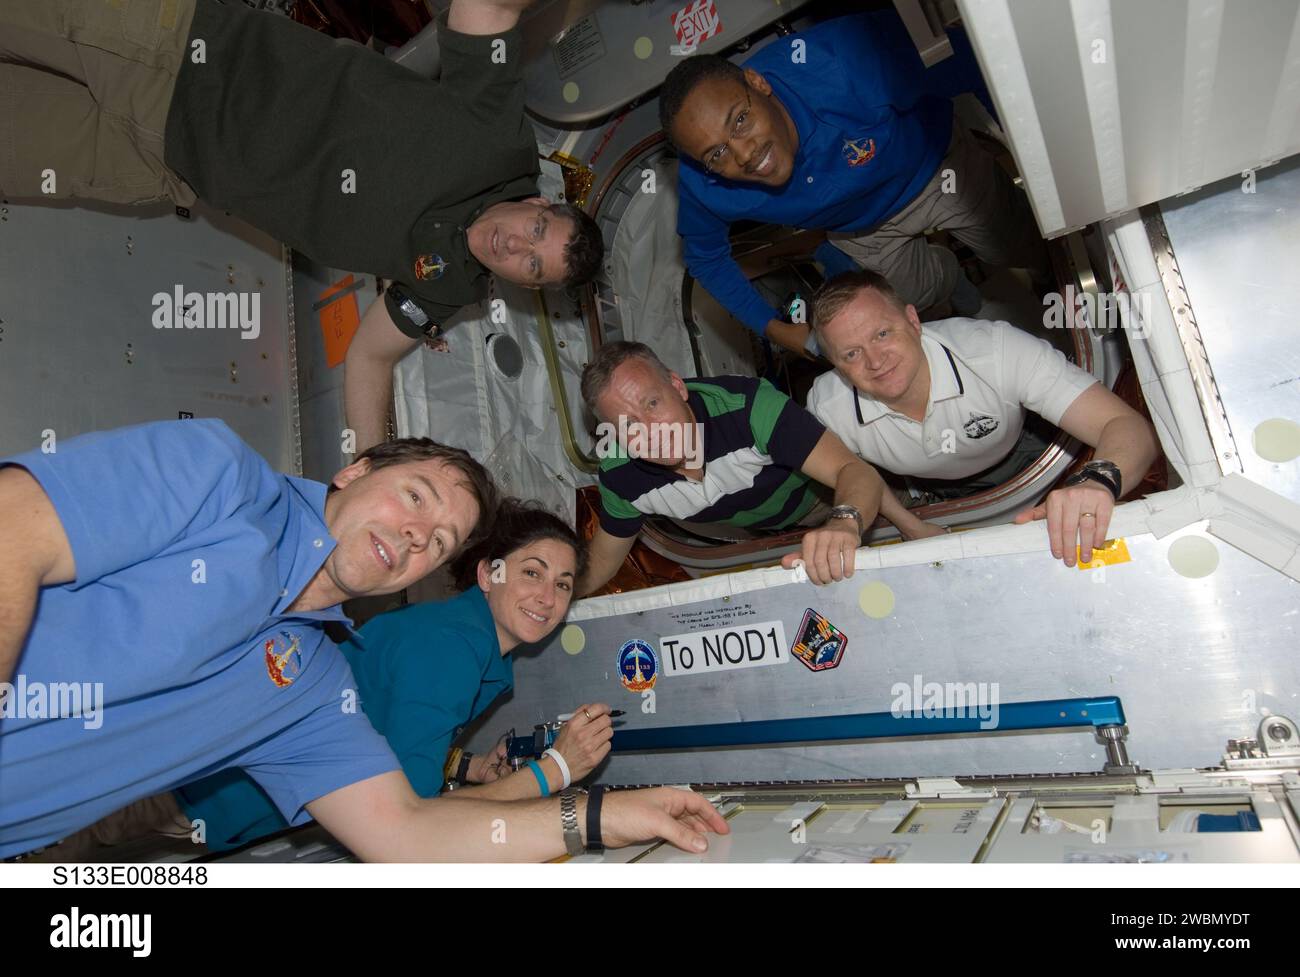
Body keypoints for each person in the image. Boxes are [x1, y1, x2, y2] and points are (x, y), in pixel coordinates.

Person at [0, 419, 726, 861]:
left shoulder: (312, 686)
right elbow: (13, 527)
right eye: (415, 496)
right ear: (355, 469)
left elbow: (408, 830)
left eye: (438, 542)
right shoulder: (219, 479)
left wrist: (603, 816)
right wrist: (555, 771)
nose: (417, 534)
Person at [0, 0, 604, 451]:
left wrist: (371, 466)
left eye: (531, 265)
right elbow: (487, 8)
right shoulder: (497, 138)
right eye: (536, 231)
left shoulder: (450, 288)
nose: (514, 245)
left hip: (166, 165)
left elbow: (369, 358)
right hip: (181, 53)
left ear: (522, 284)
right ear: (539, 202)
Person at [161, 500, 608, 854]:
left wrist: (464, 766)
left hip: (212, 794)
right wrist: (556, 770)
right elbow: (412, 820)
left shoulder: (471, 642)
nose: (547, 597)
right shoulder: (451, 648)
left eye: (563, 584)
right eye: (532, 572)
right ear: (488, 575)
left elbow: (382, 726)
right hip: (190, 796)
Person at [660, 10, 1046, 355]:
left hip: (935, 170)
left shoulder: (848, 59)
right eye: (717, 153)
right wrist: (777, 330)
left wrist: (1041, 163)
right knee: (916, 296)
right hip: (857, 228)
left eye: (740, 121)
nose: (742, 154)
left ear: (758, 83)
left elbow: (977, 60)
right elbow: (705, 258)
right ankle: (954, 279)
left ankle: (1048, 276)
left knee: (1015, 247)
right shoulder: (704, 180)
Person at [806, 270, 1159, 567]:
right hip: (931, 489)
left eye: (882, 334)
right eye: (851, 354)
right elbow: (857, 472)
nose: (875, 361)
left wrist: (1097, 481)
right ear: (834, 365)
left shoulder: (994, 350)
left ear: (913, 321)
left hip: (1027, 457)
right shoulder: (828, 407)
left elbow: (1127, 426)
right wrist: (911, 525)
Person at [576, 341, 938, 595]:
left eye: (653, 404)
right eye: (629, 425)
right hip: (766, 532)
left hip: (825, 498)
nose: (651, 432)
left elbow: (852, 470)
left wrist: (901, 524)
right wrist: (556, 598)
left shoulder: (747, 407)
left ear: (677, 386)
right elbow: (602, 561)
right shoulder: (621, 478)